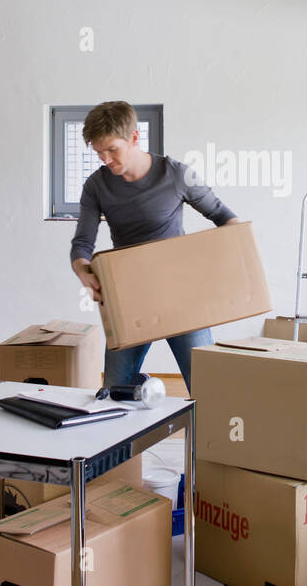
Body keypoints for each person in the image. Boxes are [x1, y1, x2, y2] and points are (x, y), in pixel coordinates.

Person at [70, 100, 239, 394]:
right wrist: (83, 271)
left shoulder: (175, 174)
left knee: (207, 389)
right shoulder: (96, 185)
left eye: (112, 150)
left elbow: (224, 217)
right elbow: (82, 244)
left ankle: (208, 441)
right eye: (99, 153)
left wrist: (234, 260)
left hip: (182, 296)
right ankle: (125, 433)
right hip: (130, 298)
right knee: (113, 391)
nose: (106, 160)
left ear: (134, 138)